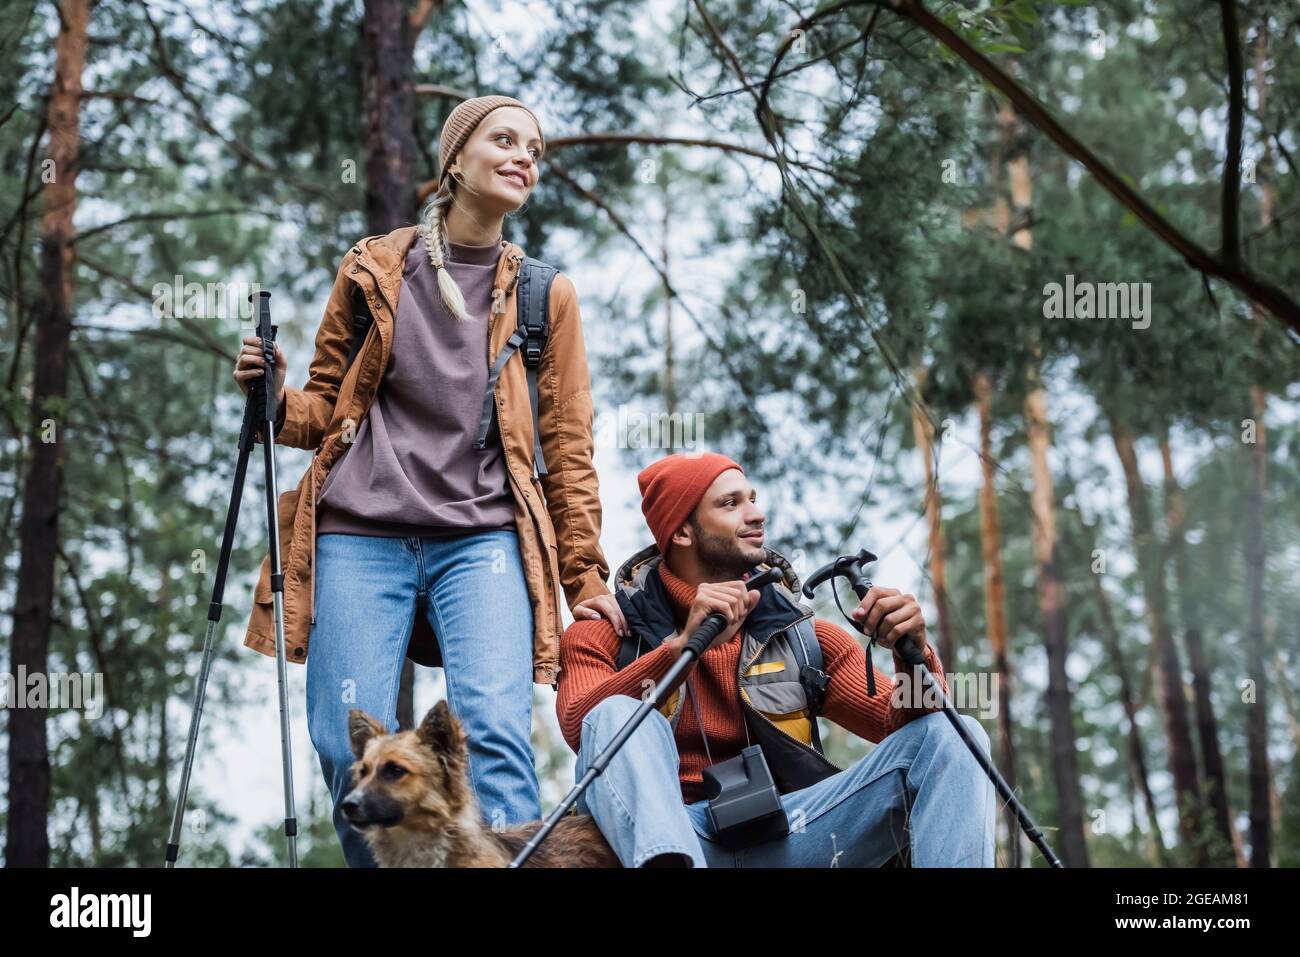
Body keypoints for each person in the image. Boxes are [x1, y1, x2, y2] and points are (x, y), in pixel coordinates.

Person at [234, 95, 628, 867]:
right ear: (455, 161)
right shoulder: (375, 268)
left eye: (536, 149)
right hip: (360, 529)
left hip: (482, 536)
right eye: (505, 140)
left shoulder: (546, 295)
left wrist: (585, 574)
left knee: (493, 735)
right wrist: (275, 397)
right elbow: (320, 409)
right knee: (335, 733)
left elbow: (568, 448)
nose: (526, 157)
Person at [555, 451, 998, 867]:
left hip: (792, 830)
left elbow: (901, 729)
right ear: (682, 532)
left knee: (957, 734)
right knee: (614, 711)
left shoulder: (803, 637)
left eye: (753, 499)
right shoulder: (605, 632)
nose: (755, 514)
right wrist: (681, 649)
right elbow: (581, 723)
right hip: (670, 837)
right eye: (730, 504)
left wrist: (914, 655)